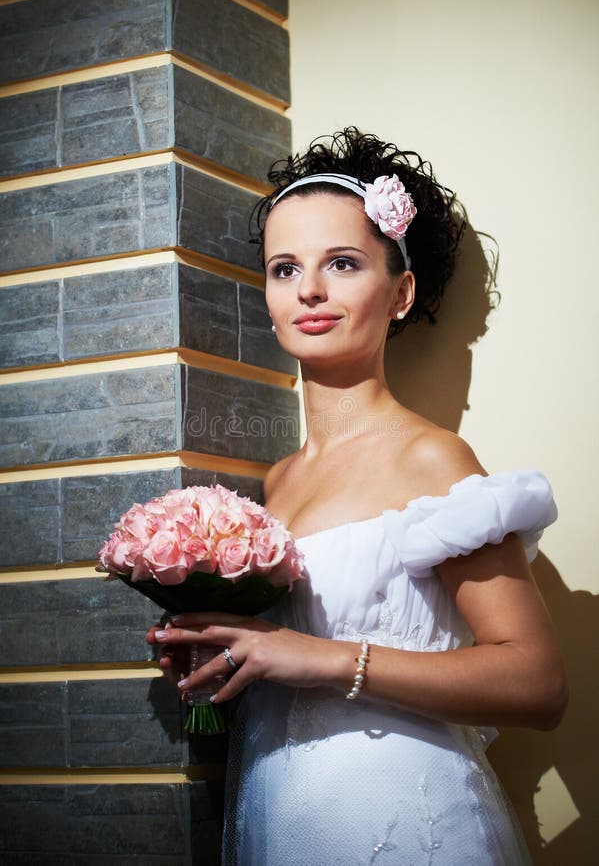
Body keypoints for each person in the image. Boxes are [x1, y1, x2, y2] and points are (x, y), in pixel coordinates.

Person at [146, 127, 567, 865]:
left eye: (341, 264)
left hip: (404, 815)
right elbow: (282, 665)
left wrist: (316, 657)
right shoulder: (276, 482)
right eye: (284, 269)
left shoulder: (430, 457)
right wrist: (221, 661)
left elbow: (535, 684)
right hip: (280, 810)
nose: (307, 290)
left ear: (399, 292)